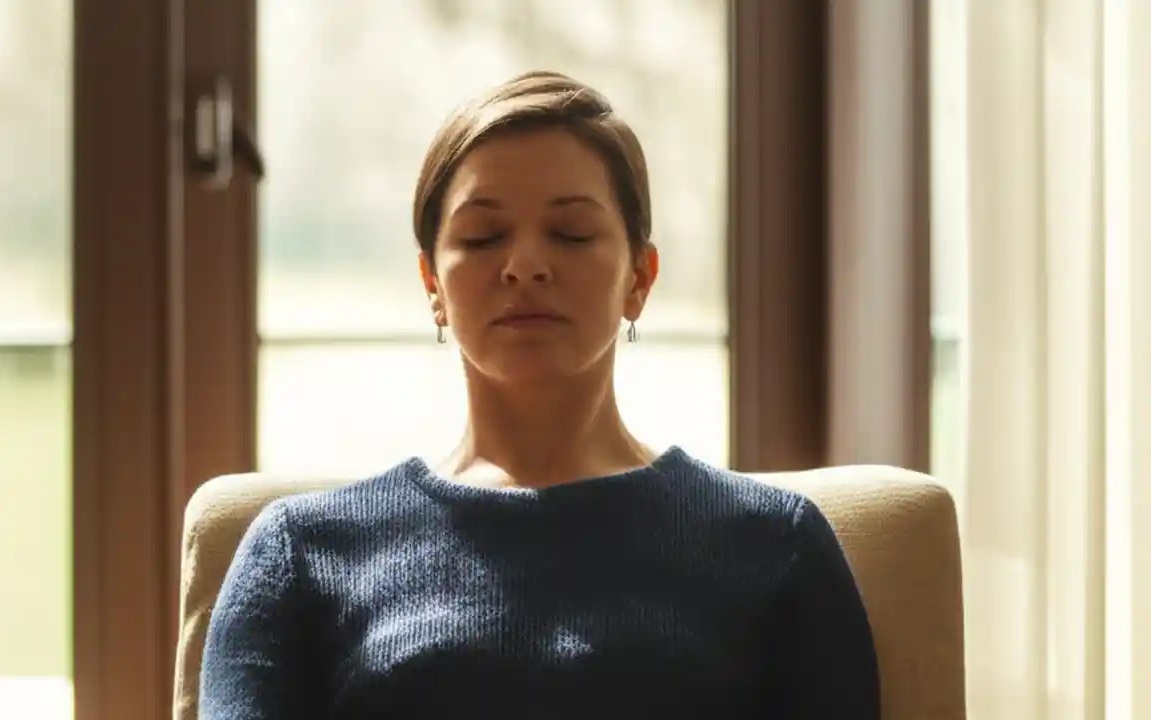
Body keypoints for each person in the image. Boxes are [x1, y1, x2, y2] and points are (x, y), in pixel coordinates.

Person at [199, 70, 879, 718]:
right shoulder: (300, 555)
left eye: (572, 234)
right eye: (483, 236)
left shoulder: (775, 546)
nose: (525, 265)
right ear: (432, 285)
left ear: (640, 278)